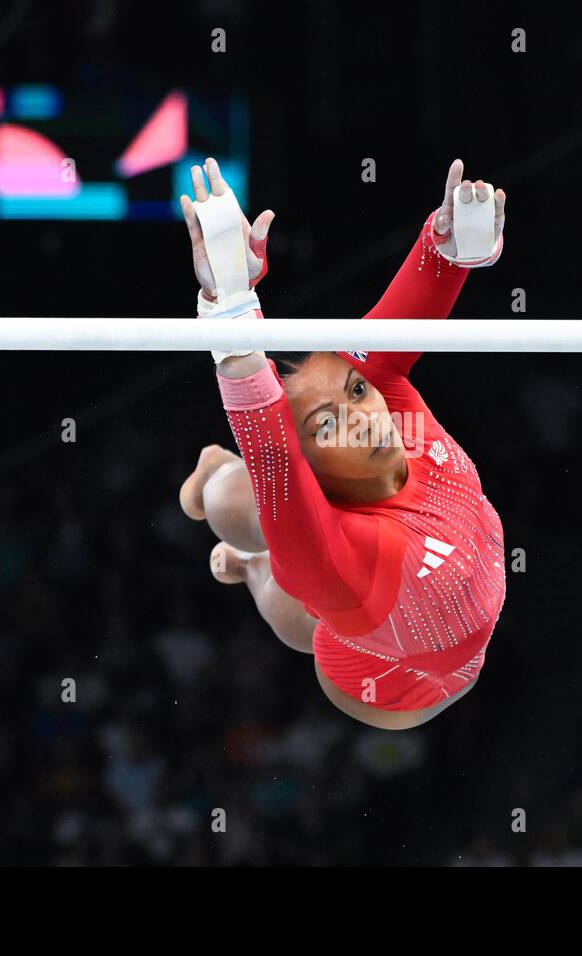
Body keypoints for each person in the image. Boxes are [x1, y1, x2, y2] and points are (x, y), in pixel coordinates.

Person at [179, 156, 508, 729]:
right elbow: (271, 448)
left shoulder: (387, 402)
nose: (362, 414)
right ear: (314, 472)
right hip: (391, 678)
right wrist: (227, 310)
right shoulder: (344, 553)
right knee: (251, 527)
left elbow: (399, 323)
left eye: (356, 391)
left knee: (272, 532)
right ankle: (239, 535)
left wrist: (448, 247)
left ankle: (235, 514)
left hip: (412, 626)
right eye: (327, 427)